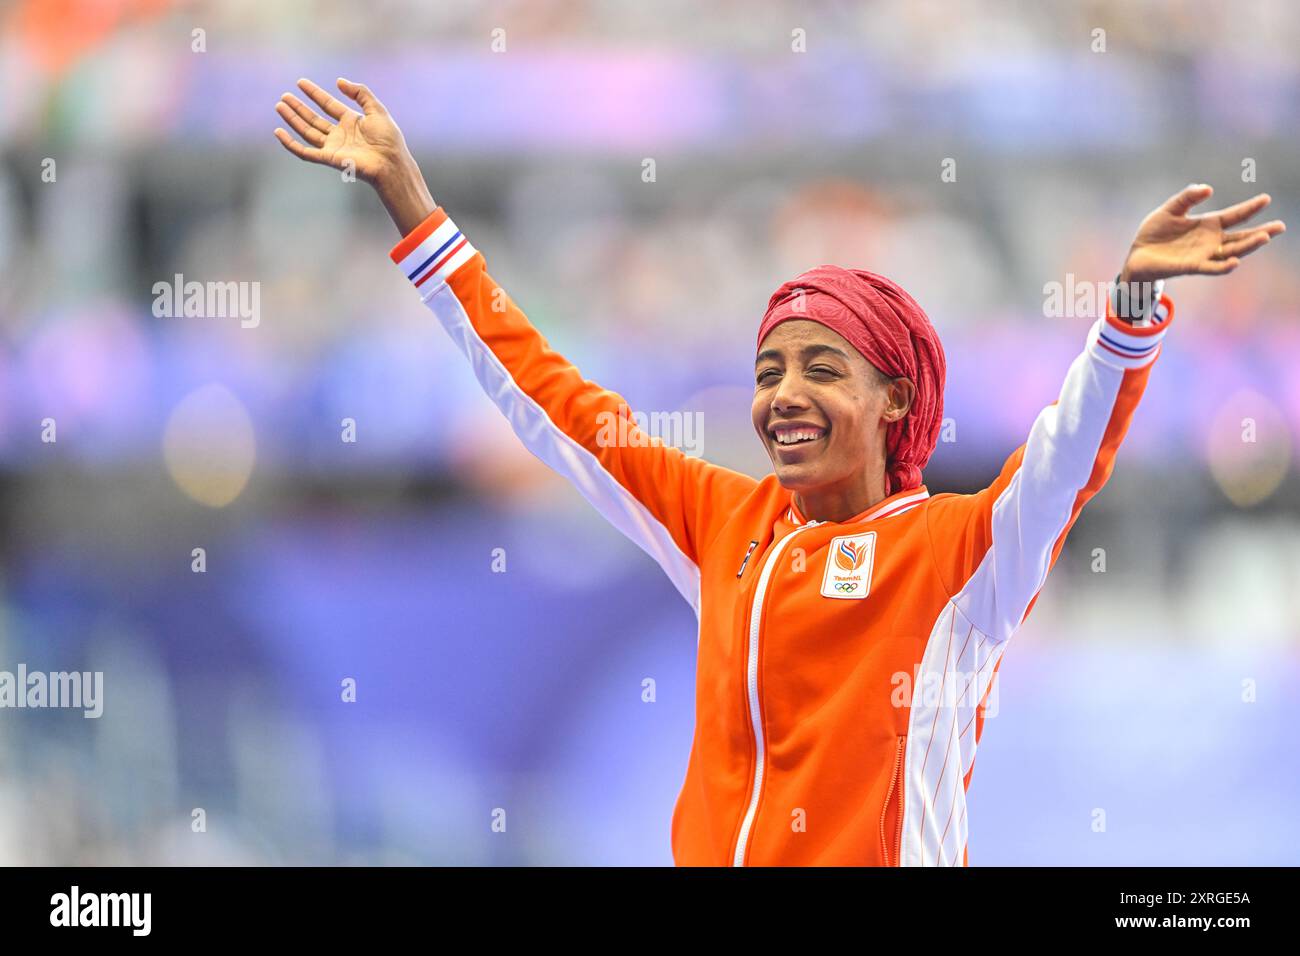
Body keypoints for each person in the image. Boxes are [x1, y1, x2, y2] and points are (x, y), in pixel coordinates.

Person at [274, 77, 1285, 866]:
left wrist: (1127, 322)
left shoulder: (958, 557)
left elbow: (1067, 454)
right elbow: (552, 404)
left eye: (820, 367)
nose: (783, 394)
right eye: (767, 370)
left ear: (896, 396)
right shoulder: (721, 523)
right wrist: (413, 208)